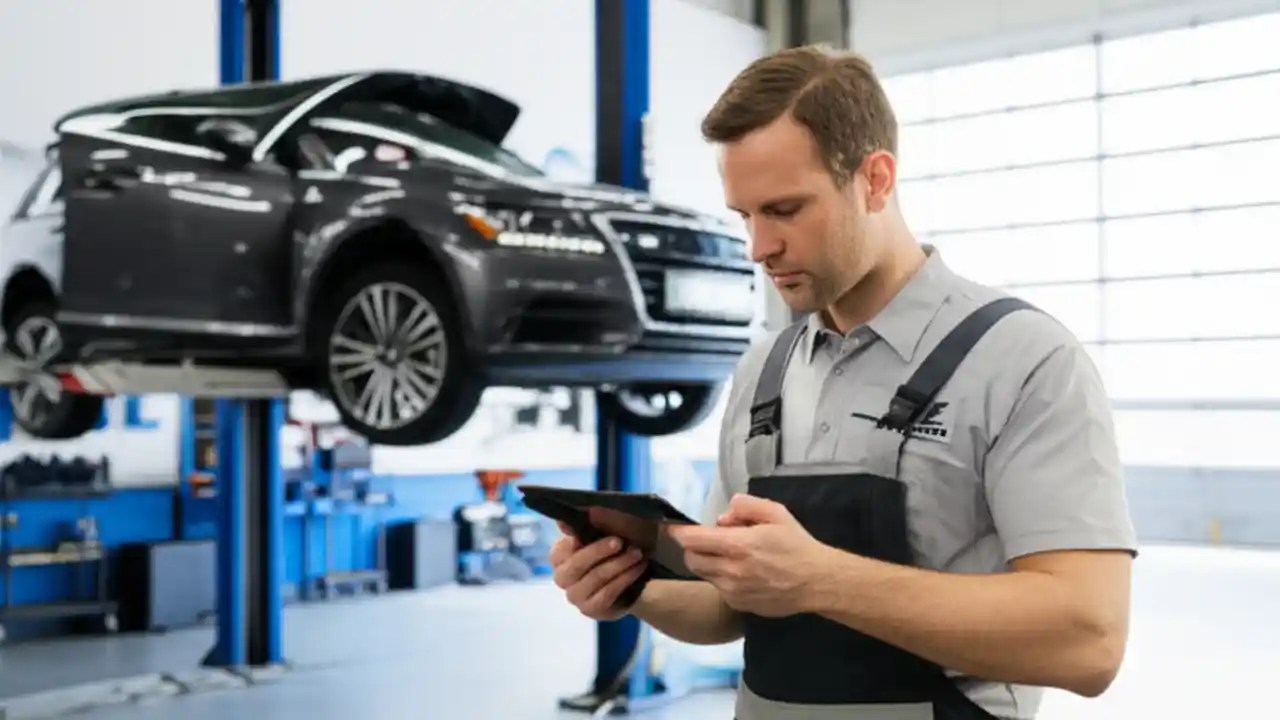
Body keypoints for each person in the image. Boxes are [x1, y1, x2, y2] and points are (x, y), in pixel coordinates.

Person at [548, 44, 1138, 720]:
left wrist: (820, 579)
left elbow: (1088, 641)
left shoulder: (1026, 360)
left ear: (875, 180)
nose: (759, 247)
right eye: (745, 215)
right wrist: (631, 584)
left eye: (786, 209)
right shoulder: (762, 371)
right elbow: (726, 603)